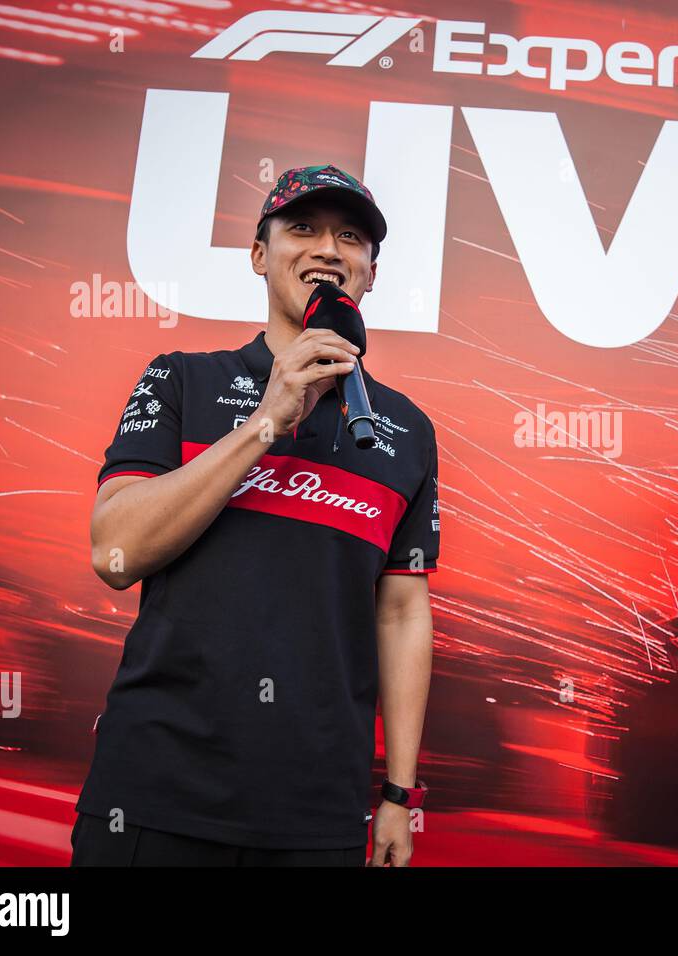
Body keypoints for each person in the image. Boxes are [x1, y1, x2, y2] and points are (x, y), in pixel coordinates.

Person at [71, 164, 439, 867]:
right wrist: (265, 424)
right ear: (259, 255)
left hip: (315, 812)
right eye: (302, 228)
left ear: (371, 271)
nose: (329, 249)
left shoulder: (406, 431)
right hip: (153, 791)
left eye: (351, 237)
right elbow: (113, 551)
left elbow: (401, 613)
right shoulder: (182, 378)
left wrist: (397, 793)